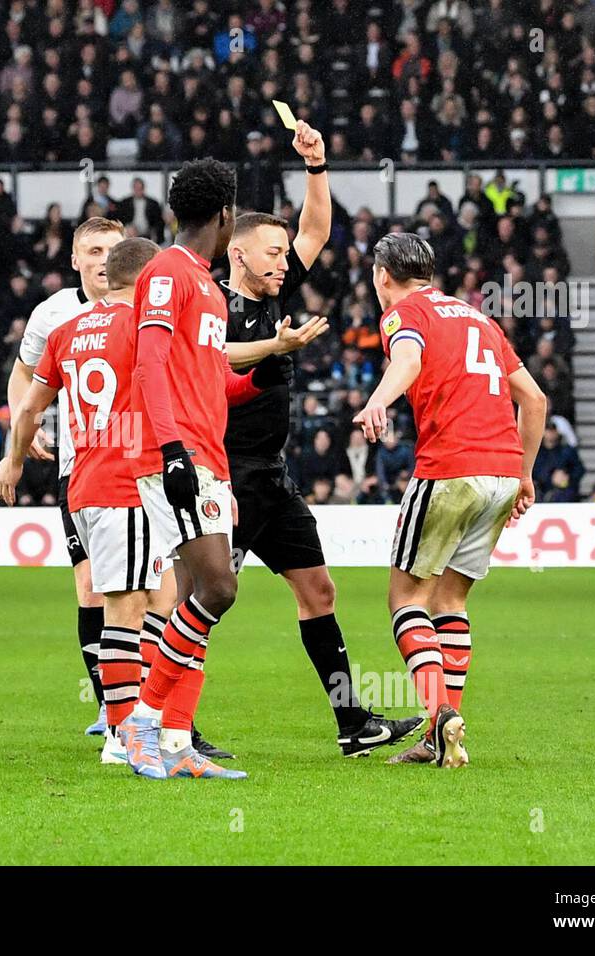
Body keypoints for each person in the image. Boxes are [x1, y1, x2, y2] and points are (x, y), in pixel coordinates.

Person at [221, 119, 423, 757]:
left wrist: (316, 166)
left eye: (285, 254)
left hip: (270, 476)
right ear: (238, 254)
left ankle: (352, 723)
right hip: (221, 473)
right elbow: (209, 362)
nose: (286, 261)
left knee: (318, 590)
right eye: (273, 254)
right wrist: (271, 349)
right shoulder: (211, 302)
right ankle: (164, 721)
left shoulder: (275, 289)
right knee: (199, 598)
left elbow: (314, 229)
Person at [116, 157, 290, 780]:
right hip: (179, 453)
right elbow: (149, 364)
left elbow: (209, 377)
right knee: (220, 587)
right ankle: (139, 721)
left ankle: (177, 744)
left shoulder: (207, 287)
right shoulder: (167, 272)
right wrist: (169, 450)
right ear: (224, 215)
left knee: (194, 598)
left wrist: (256, 379)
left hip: (204, 452)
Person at [353, 232, 546, 768]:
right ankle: (446, 733)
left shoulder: (404, 314)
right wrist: (525, 474)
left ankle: (436, 714)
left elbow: (409, 360)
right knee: (451, 603)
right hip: (502, 472)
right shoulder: (477, 318)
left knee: (405, 599)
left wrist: (376, 400)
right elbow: (534, 397)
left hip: (450, 468)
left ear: (381, 276)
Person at [0, 238, 178, 772]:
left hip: (84, 481)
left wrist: (13, 461)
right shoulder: (141, 328)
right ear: (144, 280)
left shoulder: (68, 330)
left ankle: (135, 719)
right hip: (128, 480)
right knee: (129, 608)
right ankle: (124, 732)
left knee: (150, 597)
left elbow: (29, 406)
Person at [5, 216, 125, 737]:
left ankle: (151, 705)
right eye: (93, 251)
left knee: (155, 592)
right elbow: (22, 377)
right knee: (92, 587)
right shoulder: (52, 314)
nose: (103, 260)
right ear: (75, 260)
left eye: (113, 250)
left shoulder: (148, 305)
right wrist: (22, 431)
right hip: (81, 470)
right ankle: (109, 704)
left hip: (145, 469)